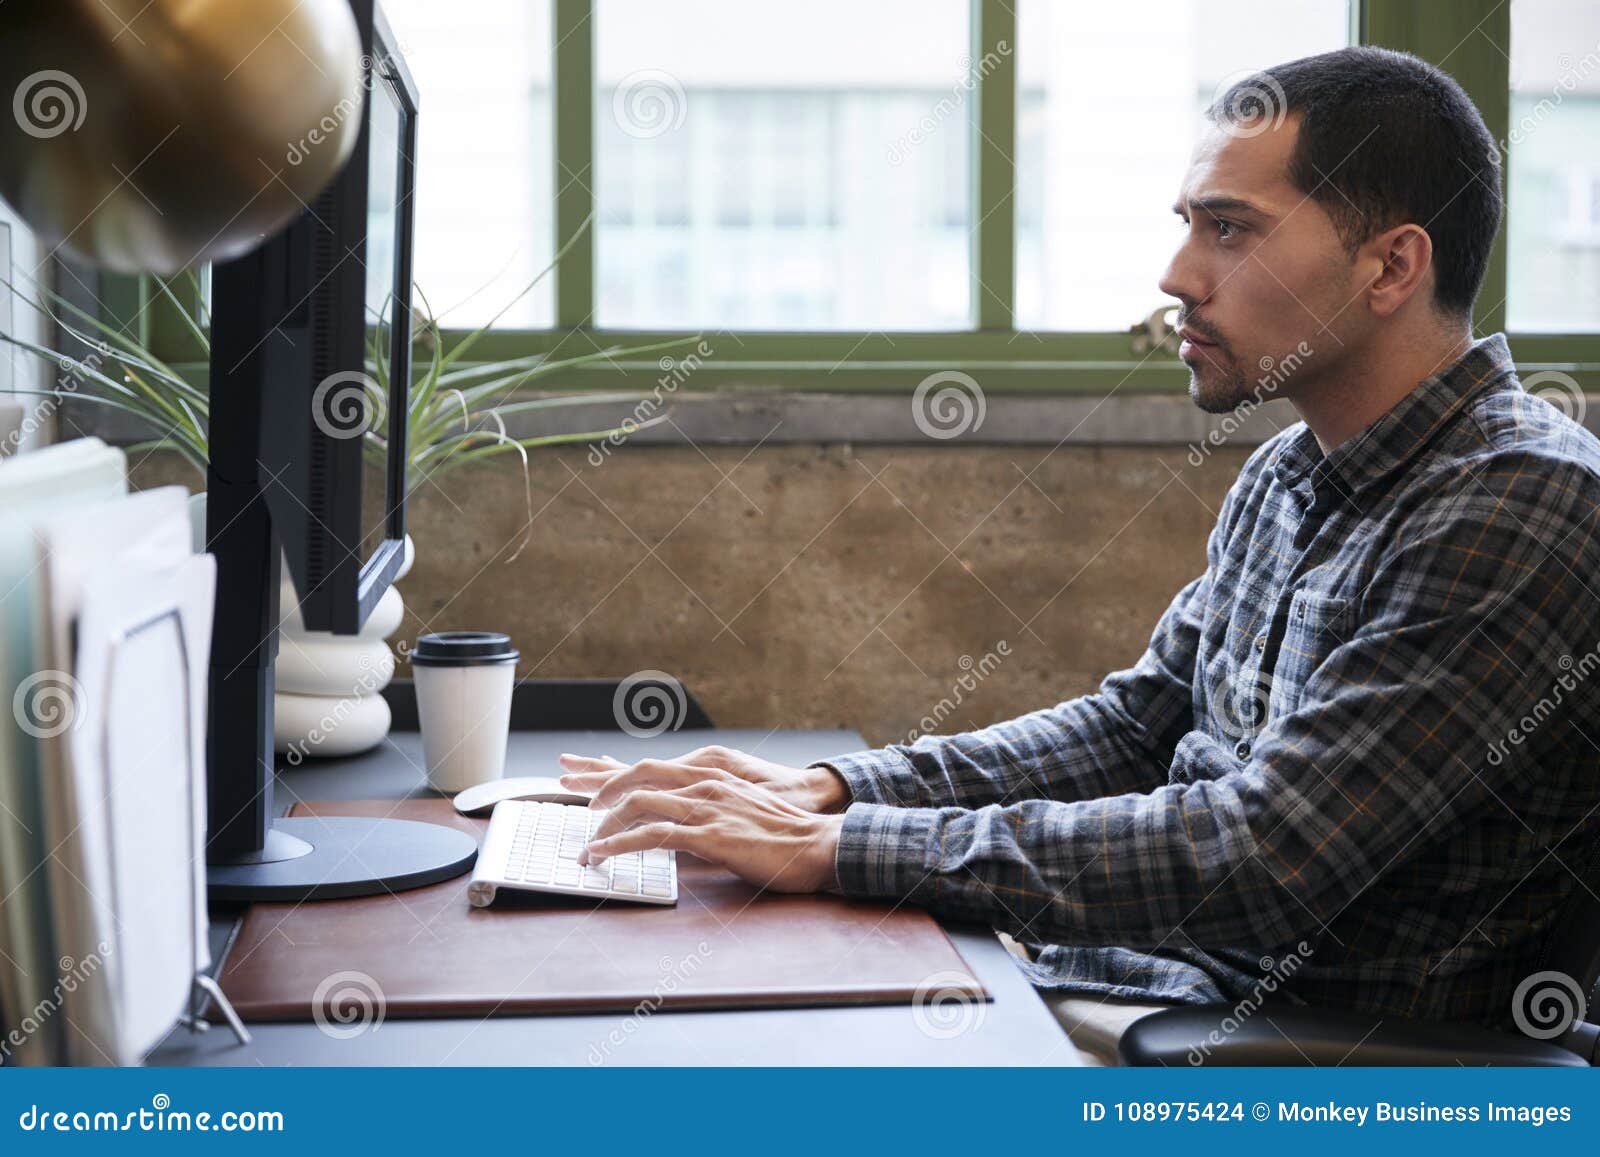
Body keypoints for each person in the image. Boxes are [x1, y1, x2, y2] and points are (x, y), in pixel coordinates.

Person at [560, 46, 1600, 1062]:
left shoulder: (1524, 499)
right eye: (1189, 223)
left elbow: (1270, 853)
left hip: (1297, 1058)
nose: (1177, 274)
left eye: (1230, 230)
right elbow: (1138, 726)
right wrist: (837, 790)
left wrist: (840, 849)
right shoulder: (1290, 469)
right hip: (1146, 983)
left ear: (1390, 265)